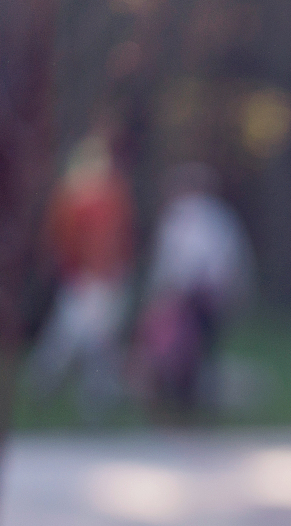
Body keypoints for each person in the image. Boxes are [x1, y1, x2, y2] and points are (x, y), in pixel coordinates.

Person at [134, 162, 253, 416]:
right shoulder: (221, 216)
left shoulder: (179, 216)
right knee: (203, 350)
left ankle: (182, 403)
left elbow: (170, 261)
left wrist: (160, 293)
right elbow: (231, 259)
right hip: (210, 295)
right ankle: (197, 402)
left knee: (181, 351)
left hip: (185, 295)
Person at [28, 133, 134, 418]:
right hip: (87, 279)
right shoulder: (78, 197)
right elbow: (64, 238)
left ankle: (86, 395)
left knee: (90, 338)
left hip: (99, 278)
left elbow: (119, 238)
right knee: (80, 338)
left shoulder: (103, 195)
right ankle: (63, 388)